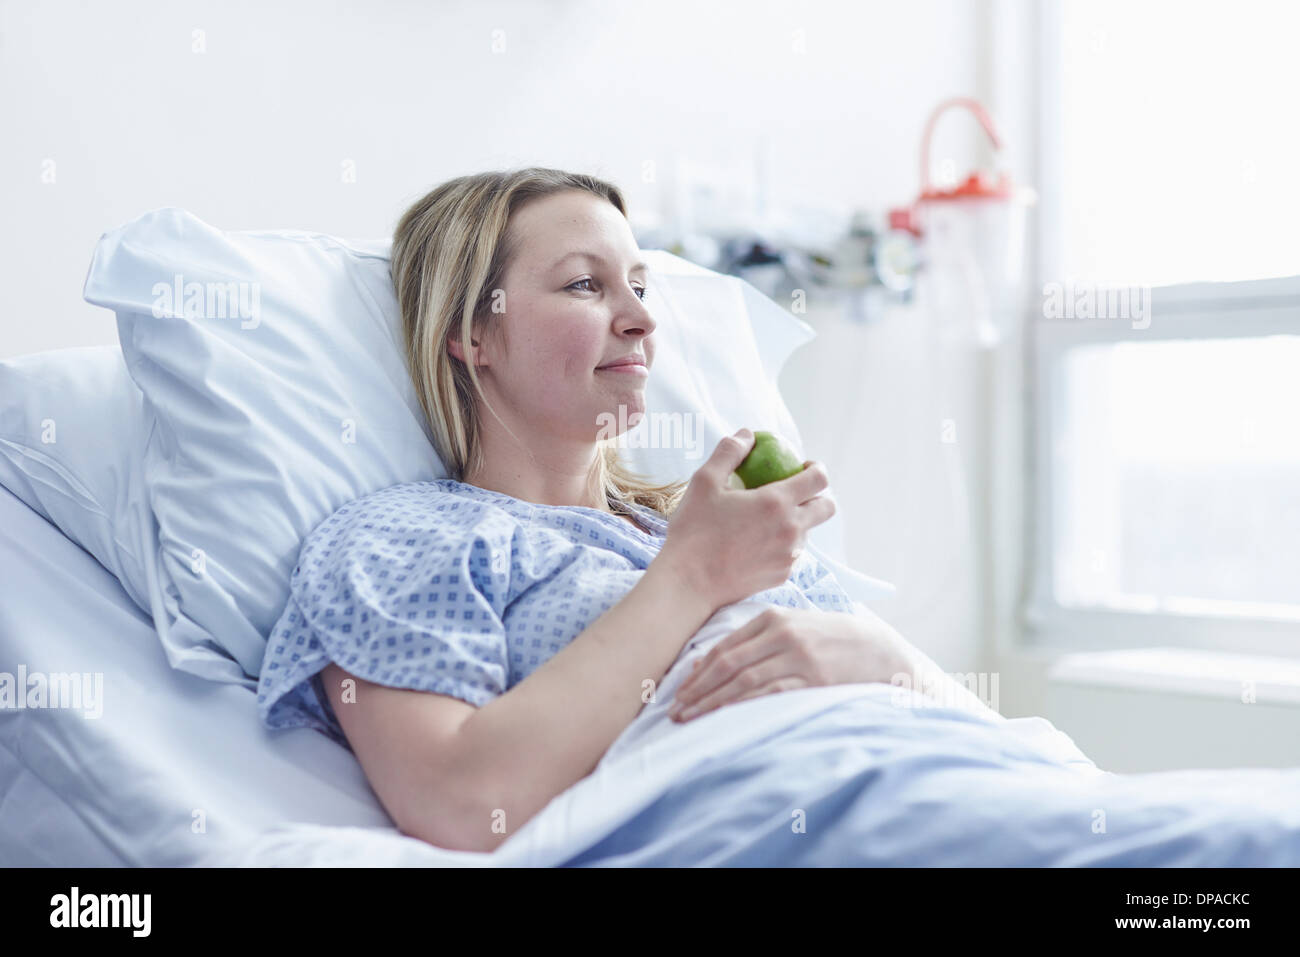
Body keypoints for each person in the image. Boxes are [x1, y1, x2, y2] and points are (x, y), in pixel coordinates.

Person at [256, 167, 986, 854]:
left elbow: (986, 733)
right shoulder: (401, 539)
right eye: (584, 284)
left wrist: (888, 662)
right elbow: (462, 799)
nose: (641, 319)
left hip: (961, 788)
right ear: (472, 332)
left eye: (639, 285)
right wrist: (690, 577)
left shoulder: (717, 523)